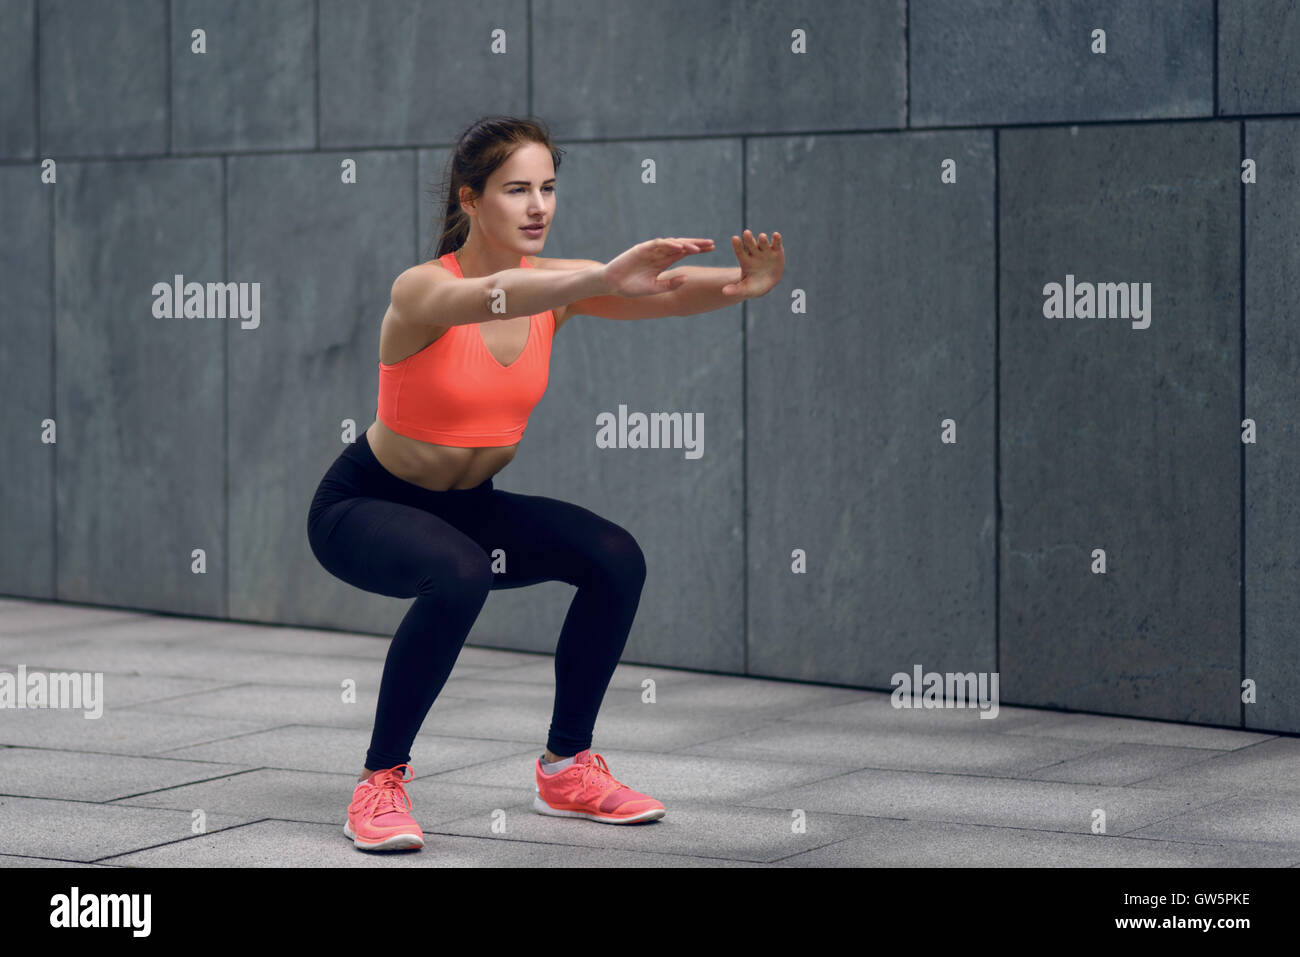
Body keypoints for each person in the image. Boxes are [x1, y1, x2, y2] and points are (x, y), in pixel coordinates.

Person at [306, 115, 784, 852]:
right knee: (457, 572)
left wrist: (740, 285)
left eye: (549, 188)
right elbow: (491, 296)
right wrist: (596, 276)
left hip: (471, 510)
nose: (538, 206)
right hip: (365, 506)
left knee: (613, 555)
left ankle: (566, 769)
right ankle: (380, 782)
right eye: (516, 189)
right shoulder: (422, 290)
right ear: (470, 198)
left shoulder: (561, 286)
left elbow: (663, 290)